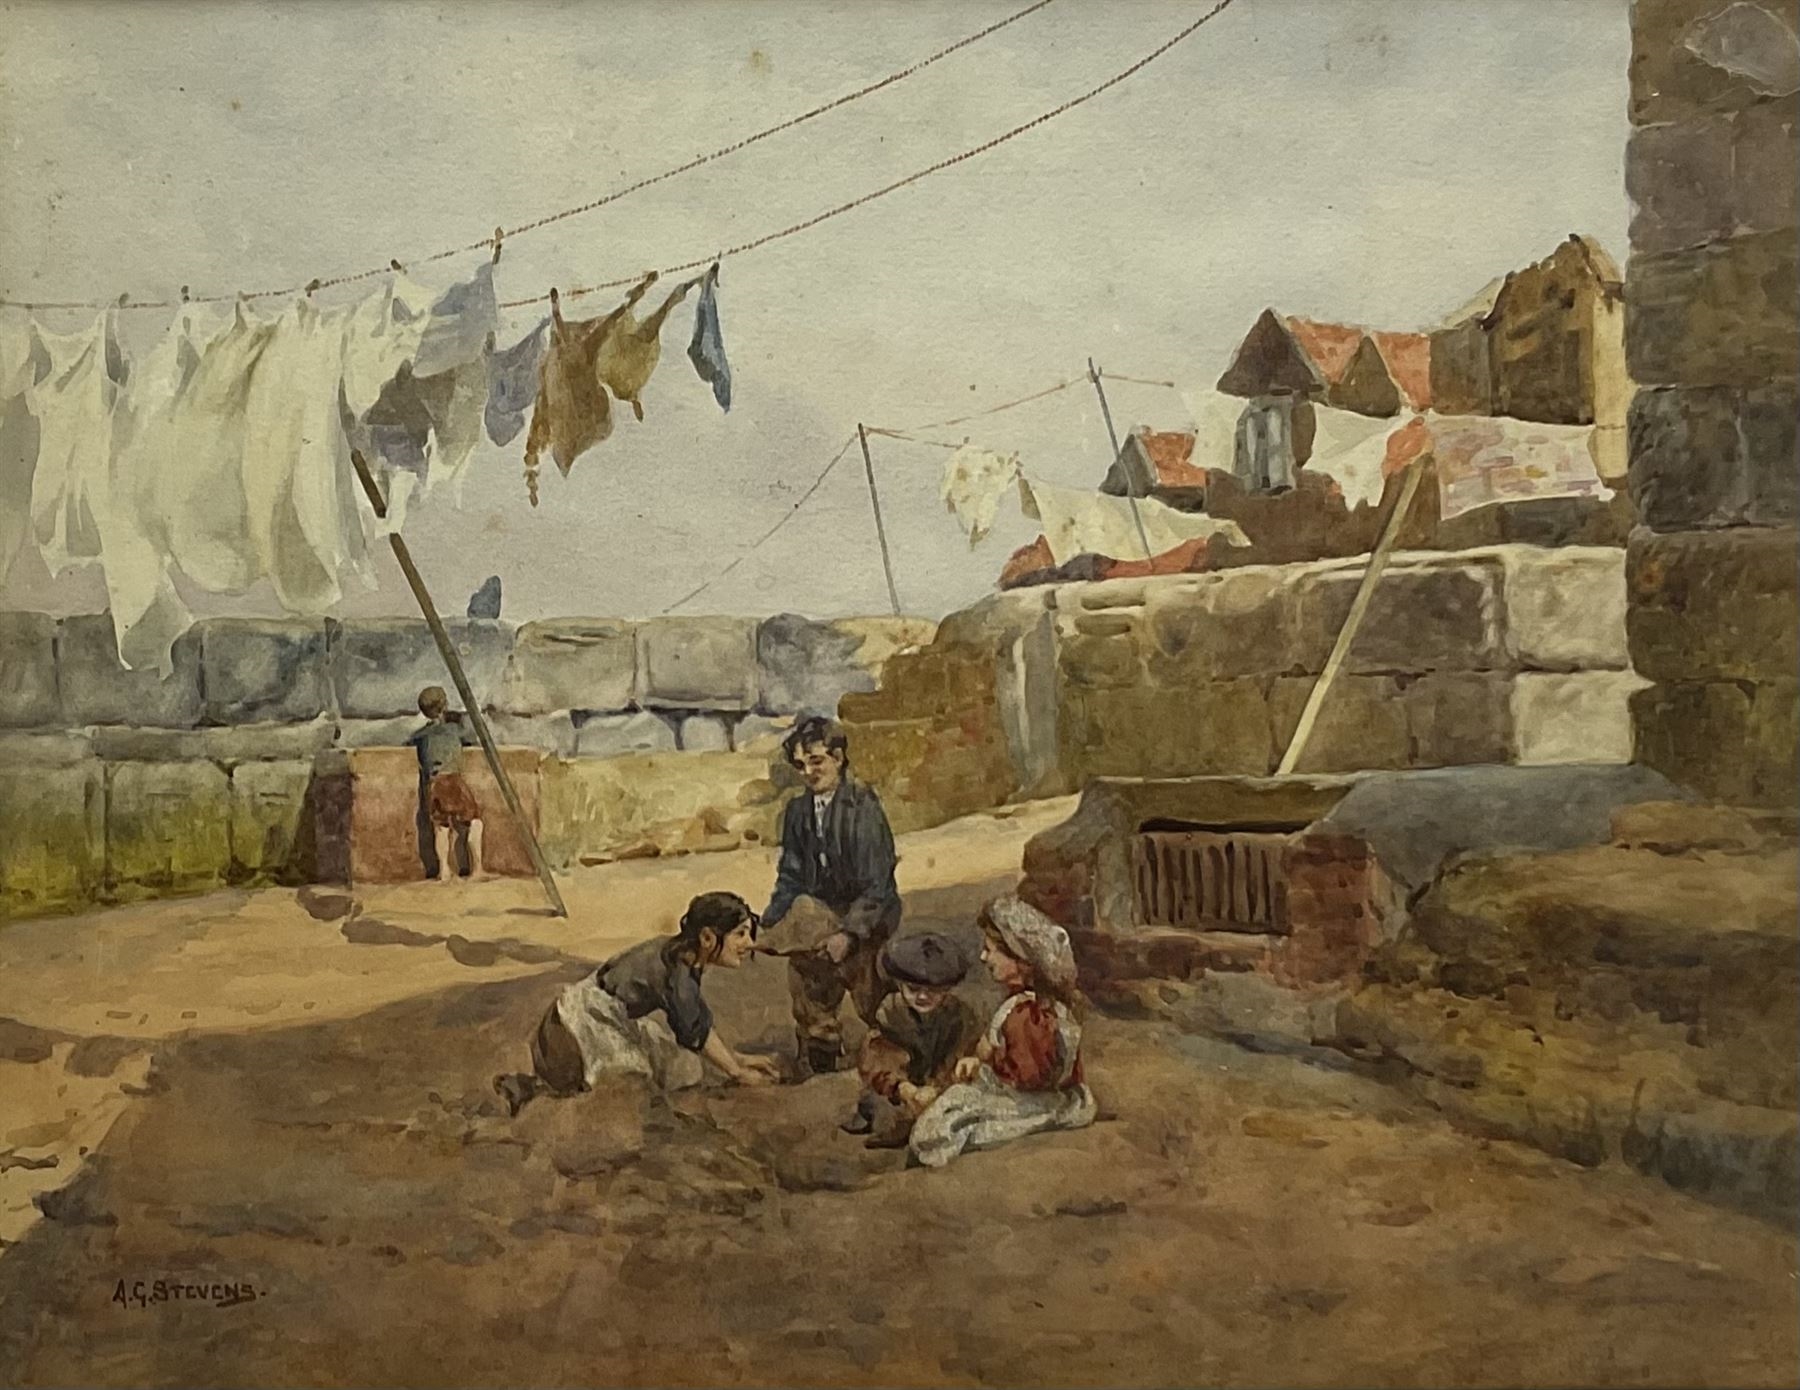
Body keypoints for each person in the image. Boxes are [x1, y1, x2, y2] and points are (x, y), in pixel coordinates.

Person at [493, 892, 781, 1116]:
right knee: (631, 1086)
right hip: (578, 1025)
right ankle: (531, 1092)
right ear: (707, 937)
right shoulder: (676, 968)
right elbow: (694, 1030)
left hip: (608, 1017)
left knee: (683, 1069)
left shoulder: (681, 957)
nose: (748, 943)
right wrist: (737, 1072)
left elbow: (696, 1023)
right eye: (740, 934)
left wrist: (735, 1059)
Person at [761, 715, 903, 1078]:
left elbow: (878, 885)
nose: (808, 772)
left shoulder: (863, 806)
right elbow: (791, 876)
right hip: (820, 915)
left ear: (838, 758)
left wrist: (849, 934)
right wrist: (769, 924)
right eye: (800, 765)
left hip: (867, 916)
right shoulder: (797, 812)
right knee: (806, 969)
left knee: (871, 988)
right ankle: (821, 1043)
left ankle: (896, 1048)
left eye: (816, 761)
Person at [908, 896, 1097, 1169]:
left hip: (1035, 1100)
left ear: (1020, 959)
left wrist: (990, 1058)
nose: (983, 957)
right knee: (954, 1099)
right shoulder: (1028, 1004)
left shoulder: (1029, 1015)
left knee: (944, 1121)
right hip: (1035, 1093)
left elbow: (1031, 1077)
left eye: (990, 950)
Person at [843, 931, 980, 1150]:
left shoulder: (960, 1015)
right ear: (899, 985)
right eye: (913, 989)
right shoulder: (890, 1012)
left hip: (940, 1087)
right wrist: (904, 1088)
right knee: (888, 1119)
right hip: (898, 1089)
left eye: (933, 990)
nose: (922, 997)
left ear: (947, 989)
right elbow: (878, 1059)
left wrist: (938, 1087)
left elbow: (963, 1053)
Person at [407, 684, 484, 882]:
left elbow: (410, 741)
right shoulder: (454, 730)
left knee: (441, 827)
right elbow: (473, 737)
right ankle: (477, 869)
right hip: (453, 781)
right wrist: (460, 719)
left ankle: (444, 871)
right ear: (445, 706)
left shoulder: (421, 735)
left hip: (434, 783)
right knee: (475, 821)